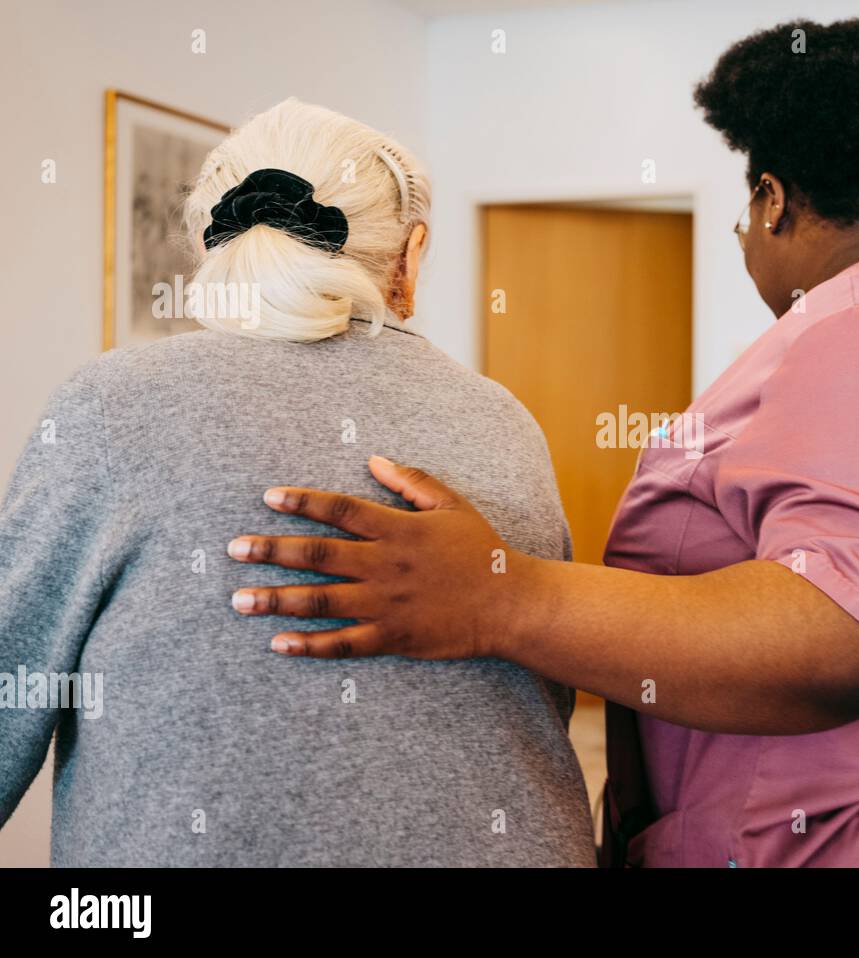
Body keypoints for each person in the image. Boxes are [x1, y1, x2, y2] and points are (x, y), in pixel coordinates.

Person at [226, 20, 859, 867]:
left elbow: (854, 640)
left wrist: (503, 599)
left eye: (747, 209)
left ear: (771, 198)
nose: (746, 232)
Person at [0, 99, 595, 866]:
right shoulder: (503, 418)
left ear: (218, 251)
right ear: (409, 258)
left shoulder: (113, 405)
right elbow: (543, 694)